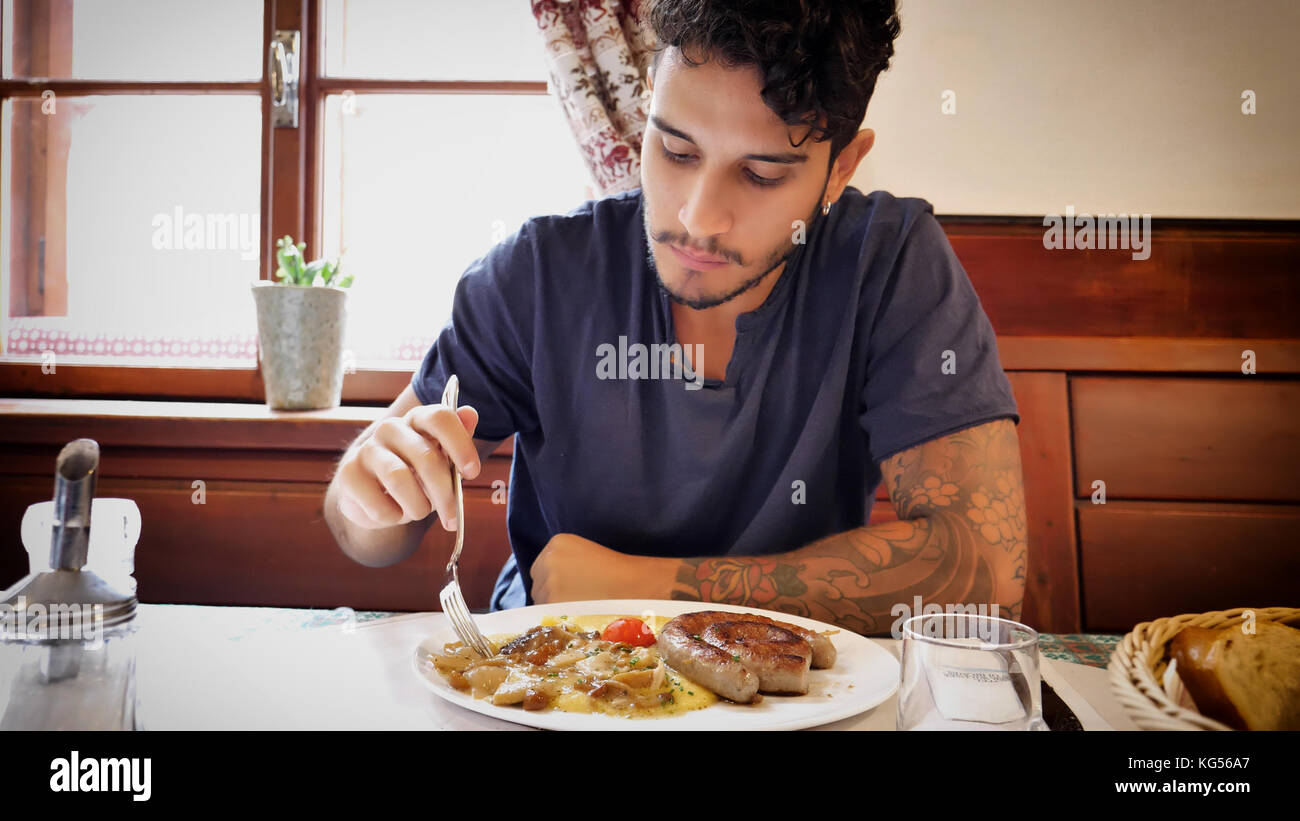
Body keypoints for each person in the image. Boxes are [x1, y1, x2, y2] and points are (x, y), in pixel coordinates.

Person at [324, 0, 1027, 636]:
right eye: (675, 149)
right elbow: (367, 534)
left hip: (791, 696)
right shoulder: (539, 274)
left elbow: (987, 578)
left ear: (841, 167)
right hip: (552, 680)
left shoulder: (889, 263)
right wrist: (372, 491)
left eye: (760, 174)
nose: (696, 217)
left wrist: (650, 590)